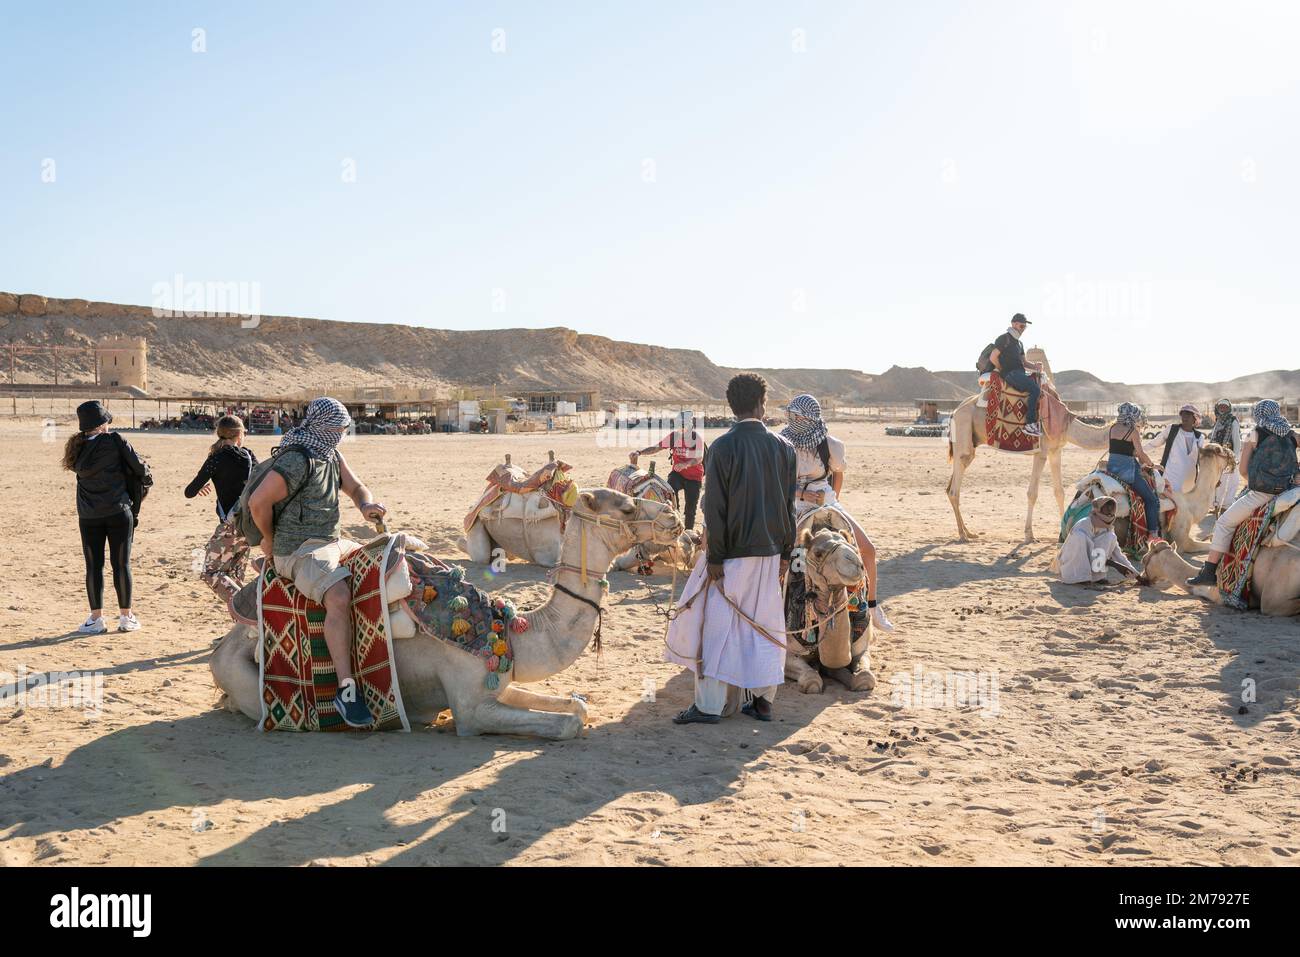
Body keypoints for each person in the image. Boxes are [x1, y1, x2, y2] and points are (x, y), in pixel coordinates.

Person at [246, 397, 387, 727]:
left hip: (331, 542)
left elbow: (354, 487)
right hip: (299, 549)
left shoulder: (331, 455)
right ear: (323, 427)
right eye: (337, 429)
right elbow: (257, 502)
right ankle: (346, 690)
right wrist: (269, 540)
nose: (340, 435)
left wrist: (366, 505)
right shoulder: (297, 459)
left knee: (389, 557)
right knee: (338, 596)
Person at [666, 373, 795, 725]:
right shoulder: (785, 448)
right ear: (761, 405)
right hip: (770, 555)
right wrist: (785, 553)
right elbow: (788, 506)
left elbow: (715, 510)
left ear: (732, 407)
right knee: (766, 624)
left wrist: (716, 558)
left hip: (731, 556)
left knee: (716, 626)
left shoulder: (722, 447)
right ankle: (763, 702)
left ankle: (709, 706)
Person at [780, 393, 894, 631]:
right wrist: (801, 495)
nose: (791, 419)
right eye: (791, 415)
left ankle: (872, 606)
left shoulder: (830, 445)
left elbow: (838, 474)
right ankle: (781, 610)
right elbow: (778, 481)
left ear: (807, 418)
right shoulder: (782, 442)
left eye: (796, 416)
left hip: (827, 504)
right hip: (794, 505)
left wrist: (832, 501)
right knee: (791, 560)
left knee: (867, 549)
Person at [1187, 400, 1299, 587]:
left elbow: (1244, 470)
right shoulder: (1292, 434)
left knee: (1223, 523)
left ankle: (1208, 572)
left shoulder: (1255, 433)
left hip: (1263, 493)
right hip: (1291, 490)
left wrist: (1254, 483)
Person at [63, 400, 147, 634]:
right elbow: (140, 468)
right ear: (102, 424)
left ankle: (96, 618)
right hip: (118, 510)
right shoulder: (114, 440)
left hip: (88, 514)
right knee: (122, 564)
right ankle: (126, 617)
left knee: (93, 566)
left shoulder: (76, 447)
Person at [636, 411, 706, 530]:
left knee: (690, 509)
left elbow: (699, 458)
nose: (680, 428)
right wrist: (640, 452)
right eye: (678, 425)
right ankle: (675, 518)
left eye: (682, 425)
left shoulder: (696, 438)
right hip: (678, 473)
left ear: (689, 425)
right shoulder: (674, 436)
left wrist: (686, 464)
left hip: (694, 476)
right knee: (670, 489)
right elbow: (656, 448)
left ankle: (688, 532)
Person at [1107, 402, 1165, 539]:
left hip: (1112, 469)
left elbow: (1122, 449)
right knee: (1151, 500)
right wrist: (1152, 465)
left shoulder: (1112, 428)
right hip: (1127, 472)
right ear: (1133, 416)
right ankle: (1153, 534)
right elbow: (1140, 453)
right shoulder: (1132, 431)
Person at [185, 415, 258, 521]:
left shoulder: (215, 459)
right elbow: (261, 479)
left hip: (227, 518)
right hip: (250, 517)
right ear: (239, 434)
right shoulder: (248, 455)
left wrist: (198, 488)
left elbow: (189, 493)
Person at [1057, 496, 1140, 584]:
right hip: (1071, 565)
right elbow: (1086, 552)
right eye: (1106, 508)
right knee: (1080, 537)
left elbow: (1118, 554)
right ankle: (1080, 577)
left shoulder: (1108, 529)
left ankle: (1097, 577)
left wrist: (1137, 576)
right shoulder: (1084, 524)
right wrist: (1114, 565)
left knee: (1110, 537)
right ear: (1098, 510)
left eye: (1112, 509)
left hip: (1091, 564)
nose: (1109, 512)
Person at [989, 313, 1044, 437]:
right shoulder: (1004, 338)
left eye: (1024, 327)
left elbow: (1024, 362)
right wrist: (1002, 370)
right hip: (1010, 374)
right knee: (1035, 389)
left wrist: (1036, 367)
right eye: (1021, 326)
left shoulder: (1019, 344)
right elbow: (993, 357)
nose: (1023, 329)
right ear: (1013, 324)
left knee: (1038, 386)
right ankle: (1029, 424)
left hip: (1019, 372)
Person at [1157, 404, 1205, 495]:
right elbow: (1154, 443)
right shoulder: (1172, 430)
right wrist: (1138, 450)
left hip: (1190, 479)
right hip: (1171, 476)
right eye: (1183, 414)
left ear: (1194, 419)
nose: (1185, 417)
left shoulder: (1199, 437)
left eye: (1188, 415)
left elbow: (1201, 460)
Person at [1209, 399, 1244, 513]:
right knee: (1217, 480)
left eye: (1225, 407)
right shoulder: (1218, 420)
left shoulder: (1233, 420)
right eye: (1221, 407)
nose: (1223, 409)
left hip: (1230, 456)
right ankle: (1216, 505)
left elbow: (1236, 440)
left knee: (1231, 480)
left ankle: (1226, 505)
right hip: (1217, 456)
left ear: (1229, 408)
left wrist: (1235, 457)